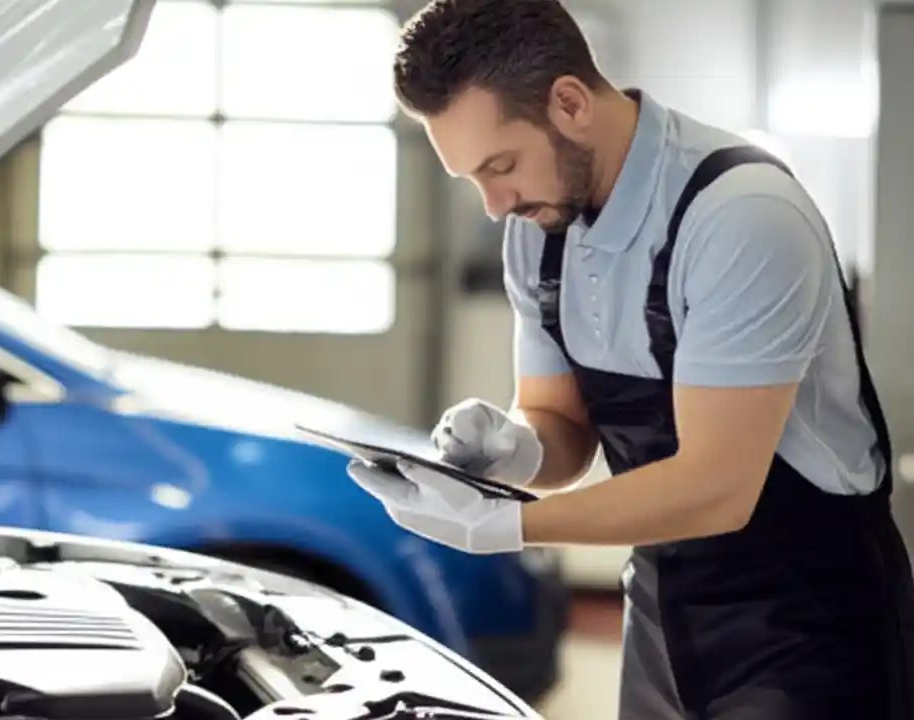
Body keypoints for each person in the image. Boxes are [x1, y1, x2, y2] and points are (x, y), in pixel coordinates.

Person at [346, 1, 914, 718]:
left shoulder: (742, 216)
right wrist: (510, 452)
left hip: (807, 624)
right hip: (659, 609)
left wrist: (507, 526)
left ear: (570, 102)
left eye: (501, 165)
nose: (493, 205)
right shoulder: (540, 228)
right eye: (473, 179)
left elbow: (717, 486)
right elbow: (562, 428)